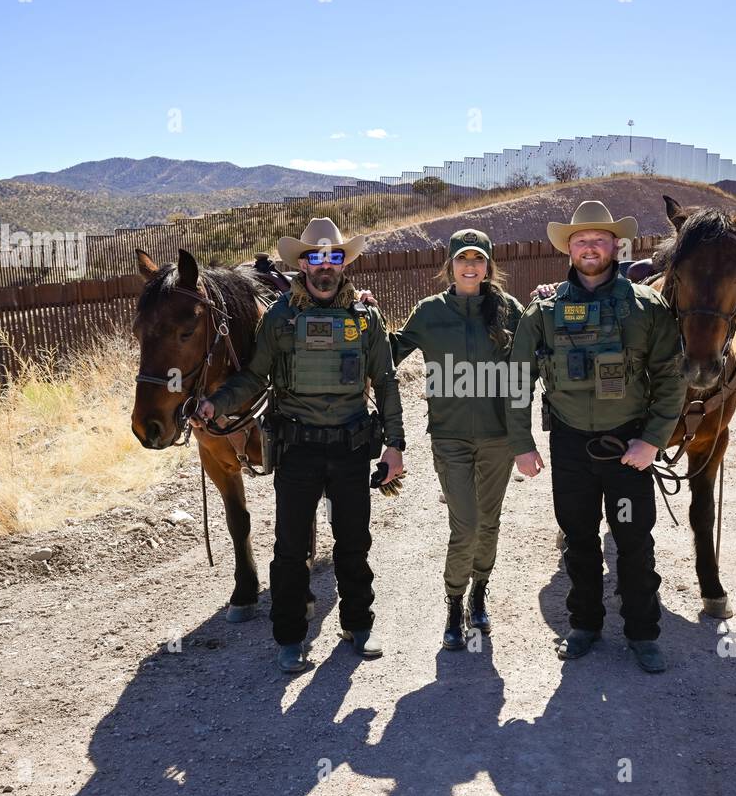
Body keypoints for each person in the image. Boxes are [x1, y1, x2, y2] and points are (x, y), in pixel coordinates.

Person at [191, 217, 405, 673]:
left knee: (354, 543)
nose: (325, 266)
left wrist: (395, 446)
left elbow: (386, 383)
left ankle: (358, 625)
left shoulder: (366, 319)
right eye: (315, 257)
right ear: (303, 264)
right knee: (289, 550)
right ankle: (290, 638)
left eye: (334, 256)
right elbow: (253, 377)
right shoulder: (282, 318)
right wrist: (215, 403)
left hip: (350, 448)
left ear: (343, 262)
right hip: (298, 450)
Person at [506, 201, 684, 673]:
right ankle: (584, 625)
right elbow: (515, 380)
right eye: (581, 240)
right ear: (569, 247)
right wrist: (521, 443)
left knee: (633, 543)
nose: (590, 247)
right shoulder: (543, 311)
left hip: (627, 449)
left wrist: (652, 440)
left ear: (614, 246)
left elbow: (671, 377)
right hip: (569, 448)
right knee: (579, 540)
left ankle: (643, 633)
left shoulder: (647, 308)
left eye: (599, 239)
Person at [391, 229, 524, 650]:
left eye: (479, 259)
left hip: (498, 438)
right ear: (449, 265)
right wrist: (364, 317)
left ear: (488, 266)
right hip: (449, 438)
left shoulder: (508, 311)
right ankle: (453, 604)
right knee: (464, 525)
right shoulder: (429, 312)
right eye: (462, 258)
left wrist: (551, 304)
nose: (471, 266)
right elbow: (387, 353)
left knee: (490, 522)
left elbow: (539, 351)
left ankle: (479, 595)